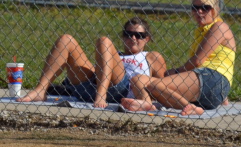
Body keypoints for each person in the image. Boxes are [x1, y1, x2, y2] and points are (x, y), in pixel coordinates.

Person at [122, 0, 236, 116]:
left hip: (211, 77)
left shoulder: (220, 27)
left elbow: (198, 61)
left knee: (153, 84)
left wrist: (176, 71)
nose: (199, 11)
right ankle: (148, 106)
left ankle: (189, 107)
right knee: (138, 80)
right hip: (202, 86)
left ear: (214, 9)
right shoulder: (201, 31)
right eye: (195, 8)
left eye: (205, 7)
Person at [17, 17, 166, 108]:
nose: (133, 38)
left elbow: (161, 87)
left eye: (139, 35)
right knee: (66, 39)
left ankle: (101, 95)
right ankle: (41, 90)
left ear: (147, 38)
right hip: (89, 88)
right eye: (128, 34)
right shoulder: (115, 54)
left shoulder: (152, 57)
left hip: (121, 90)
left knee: (104, 41)